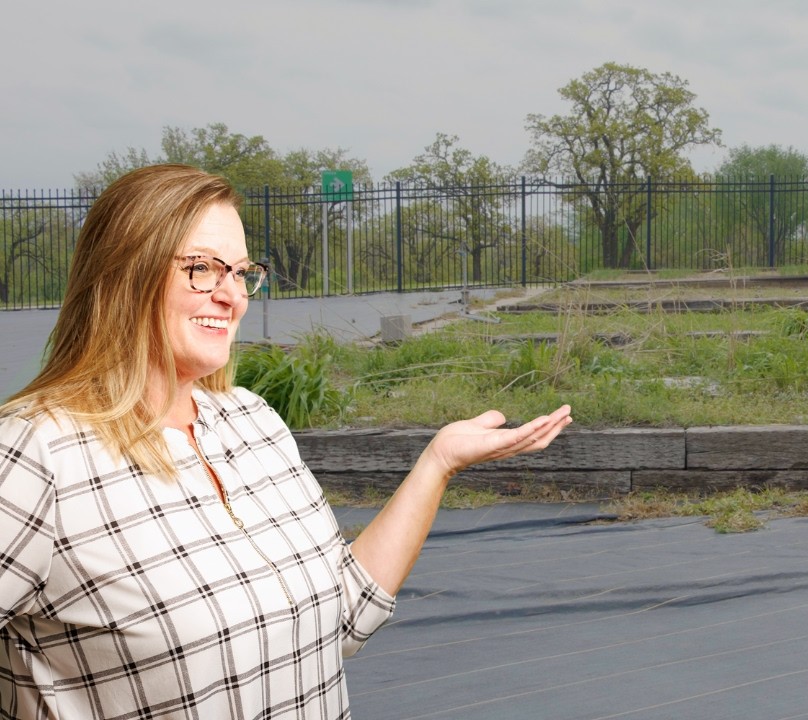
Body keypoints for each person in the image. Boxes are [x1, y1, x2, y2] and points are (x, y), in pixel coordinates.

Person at [0, 164, 572, 718]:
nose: (232, 295)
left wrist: (437, 464)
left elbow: (345, 616)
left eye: (242, 272)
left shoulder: (253, 422)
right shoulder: (37, 450)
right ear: (125, 272)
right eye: (201, 267)